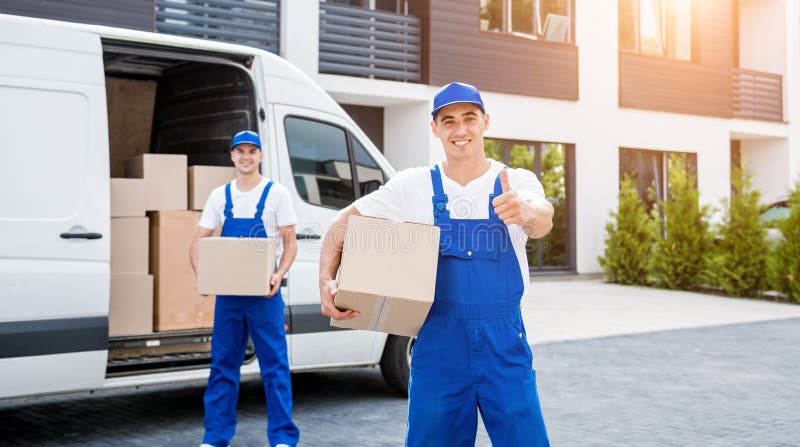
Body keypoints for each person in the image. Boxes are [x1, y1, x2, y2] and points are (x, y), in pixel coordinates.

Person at [319, 83, 554, 446]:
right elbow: (340, 226)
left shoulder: (515, 181)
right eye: (449, 121)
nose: (460, 130)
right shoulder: (411, 186)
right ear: (435, 128)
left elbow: (544, 218)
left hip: (504, 345)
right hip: (438, 349)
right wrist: (325, 278)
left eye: (469, 118)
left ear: (485, 122)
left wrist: (525, 212)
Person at [190, 130, 300, 447]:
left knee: (275, 367)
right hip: (229, 297)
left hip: (265, 295)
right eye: (241, 151)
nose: (247, 156)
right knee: (223, 366)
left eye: (253, 151)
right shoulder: (219, 196)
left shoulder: (276, 193)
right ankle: (215, 437)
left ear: (261, 156)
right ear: (232, 156)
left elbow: (291, 244)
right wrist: (203, 276)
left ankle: (282, 438)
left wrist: (278, 274)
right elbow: (197, 243)